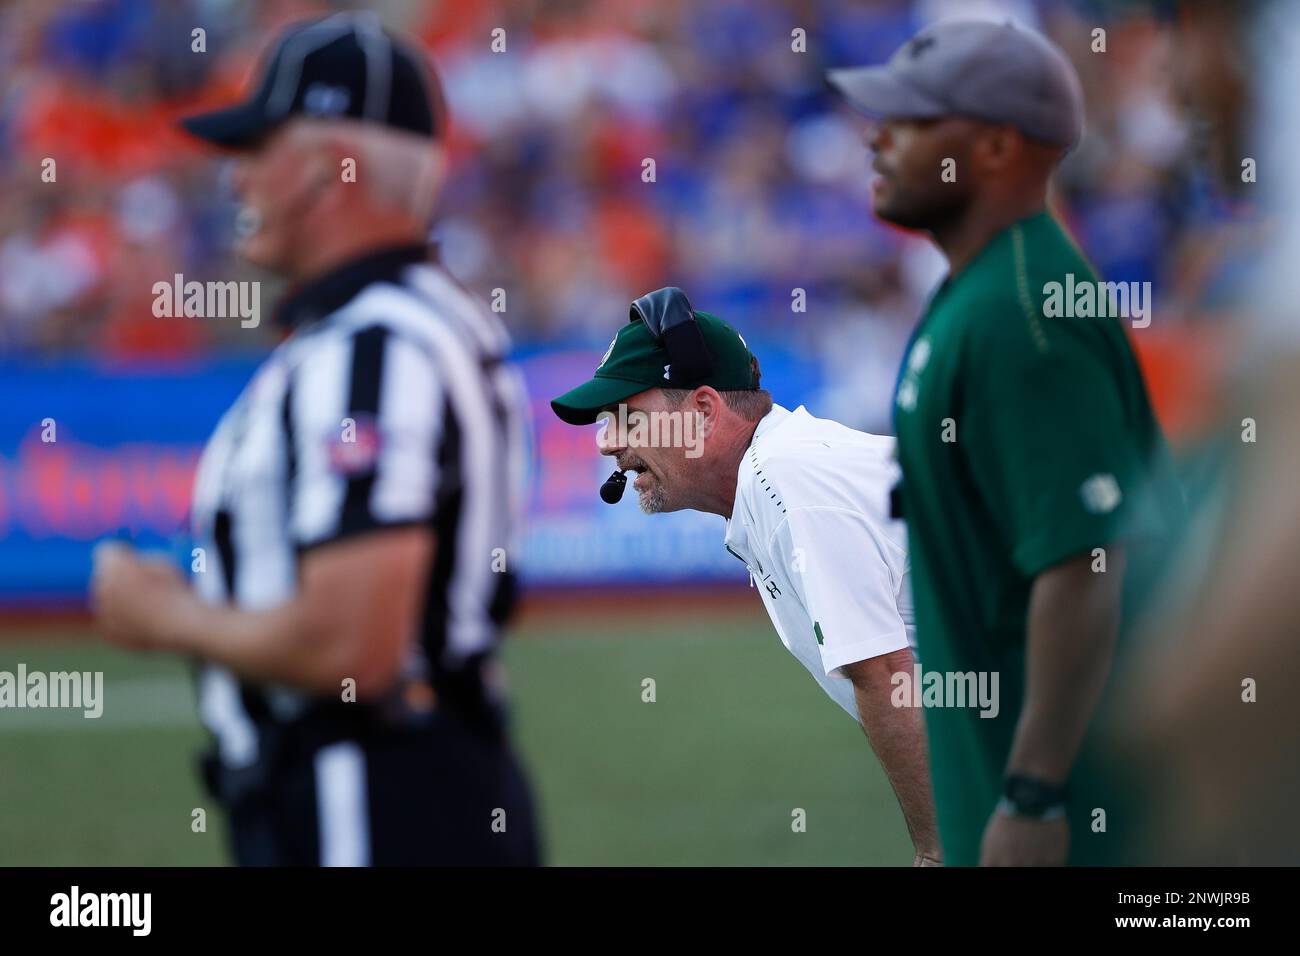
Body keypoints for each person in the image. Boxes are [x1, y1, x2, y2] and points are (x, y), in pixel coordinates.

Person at [90, 12, 538, 866]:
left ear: (336, 167)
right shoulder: (400, 330)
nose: (237, 180)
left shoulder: (374, 348)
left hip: (366, 804)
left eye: (261, 148)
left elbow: (352, 647)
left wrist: (169, 615)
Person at [829, 19, 1176, 865]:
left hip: (1078, 823)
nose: (877, 137)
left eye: (909, 121)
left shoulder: (1024, 312)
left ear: (991, 147)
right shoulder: (985, 289)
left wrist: (1033, 794)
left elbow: (1087, 563)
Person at [550, 287, 941, 866]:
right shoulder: (778, 477)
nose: (608, 443)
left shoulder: (789, 480)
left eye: (628, 417)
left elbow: (885, 674)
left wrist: (939, 851)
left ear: (704, 412)